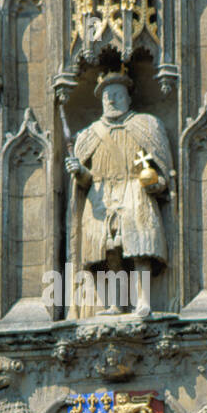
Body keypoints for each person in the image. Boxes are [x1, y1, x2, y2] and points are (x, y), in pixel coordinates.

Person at [65, 72, 173, 317]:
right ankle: (115, 303)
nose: (111, 100)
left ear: (127, 96)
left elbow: (163, 170)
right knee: (109, 251)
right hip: (102, 195)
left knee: (140, 249)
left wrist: (155, 182)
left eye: (116, 95)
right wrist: (79, 171)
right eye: (106, 96)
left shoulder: (146, 125)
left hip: (135, 192)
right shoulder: (89, 134)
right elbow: (85, 181)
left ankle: (143, 300)